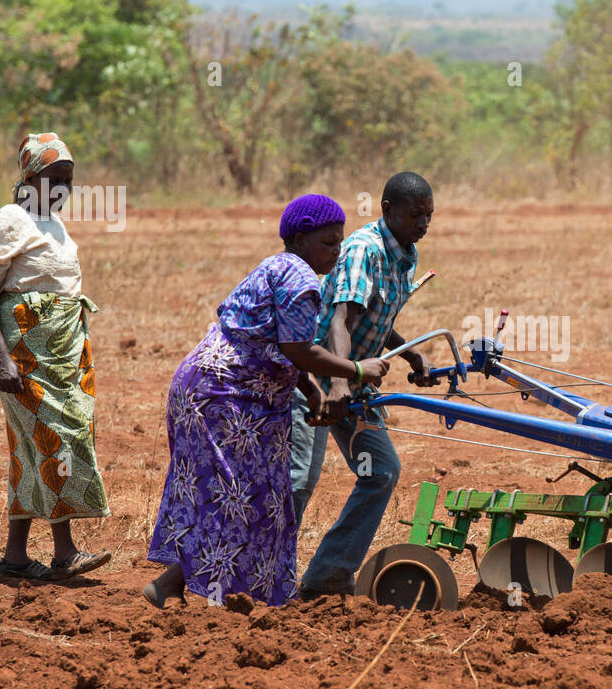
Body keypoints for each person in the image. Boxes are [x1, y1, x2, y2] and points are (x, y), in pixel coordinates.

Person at [143, 195, 391, 608]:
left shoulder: (278, 266)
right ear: (299, 238)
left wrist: (311, 389)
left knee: (252, 497)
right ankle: (207, 593)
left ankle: (204, 590)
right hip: (225, 398)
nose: (336, 251)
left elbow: (279, 344)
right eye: (328, 243)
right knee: (240, 497)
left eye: (339, 243)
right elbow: (300, 351)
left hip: (221, 392)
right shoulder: (301, 280)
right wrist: (357, 371)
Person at [289, 171, 441, 599]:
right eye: (415, 215)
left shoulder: (404, 253)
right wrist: (338, 383)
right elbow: (342, 318)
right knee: (298, 479)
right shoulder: (363, 250)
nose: (424, 224)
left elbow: (377, 317)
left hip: (353, 380)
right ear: (387, 210)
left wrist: (410, 352)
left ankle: (327, 578)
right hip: (315, 376)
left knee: (382, 472)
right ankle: (268, 575)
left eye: (429, 215)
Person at [0, 132, 113, 581]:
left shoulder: (53, 224)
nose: (62, 189)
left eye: (68, 180)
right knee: (58, 437)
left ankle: (15, 560)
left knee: (29, 449)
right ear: (29, 177)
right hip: (23, 357)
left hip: (62, 353)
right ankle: (65, 553)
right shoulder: (9, 221)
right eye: (54, 179)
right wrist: (2, 356)